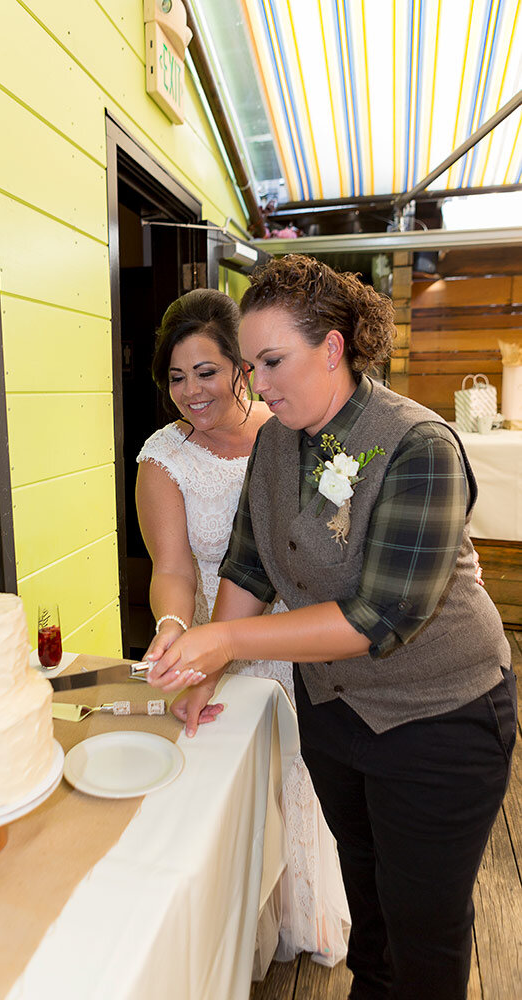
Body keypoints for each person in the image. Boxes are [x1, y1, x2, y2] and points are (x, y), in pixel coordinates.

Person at [145, 257, 517, 1000]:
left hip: (438, 717)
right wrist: (202, 667)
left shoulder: (417, 444)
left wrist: (223, 644)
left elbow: (379, 615)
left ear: (333, 347)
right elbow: (248, 569)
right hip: (335, 714)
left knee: (424, 926)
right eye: (251, 366)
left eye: (272, 361)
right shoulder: (276, 444)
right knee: (369, 906)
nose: (259, 384)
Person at [135, 287, 350, 969]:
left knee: (309, 778)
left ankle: (303, 909)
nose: (190, 392)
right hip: (218, 640)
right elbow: (171, 566)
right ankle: (236, 933)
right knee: (236, 792)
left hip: (304, 635)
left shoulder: (292, 428)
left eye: (205, 371)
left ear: (241, 367)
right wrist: (174, 623)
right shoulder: (162, 457)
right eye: (175, 376)